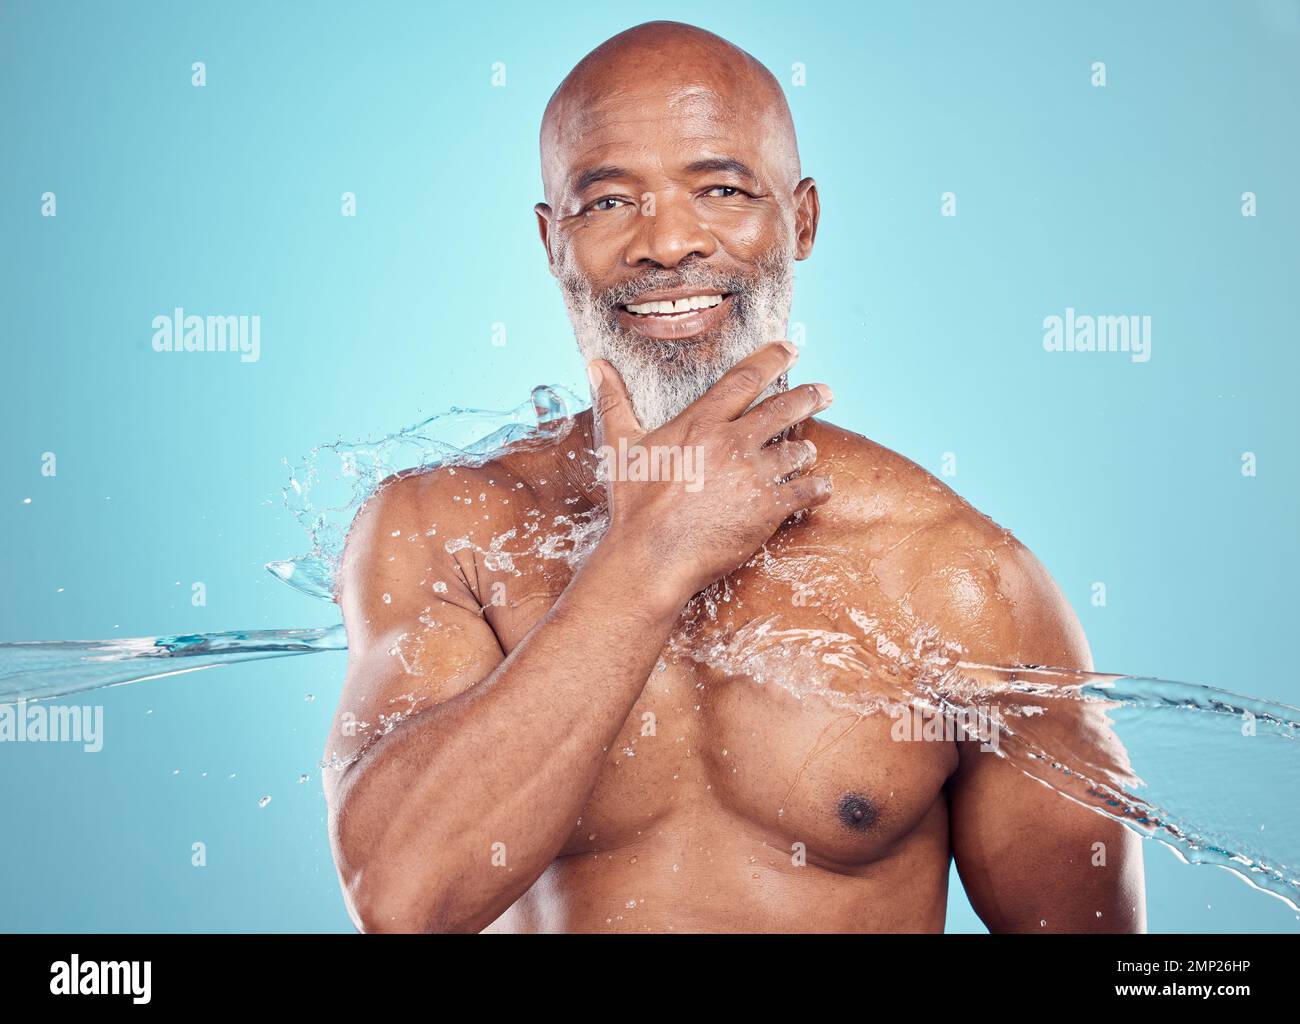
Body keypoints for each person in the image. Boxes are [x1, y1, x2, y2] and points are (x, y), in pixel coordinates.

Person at [322, 20, 1145, 933]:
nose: (667, 244)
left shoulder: (960, 579)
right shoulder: (449, 530)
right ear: (552, 243)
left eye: (720, 188)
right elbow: (401, 902)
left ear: (802, 221)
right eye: (607, 203)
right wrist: (649, 557)